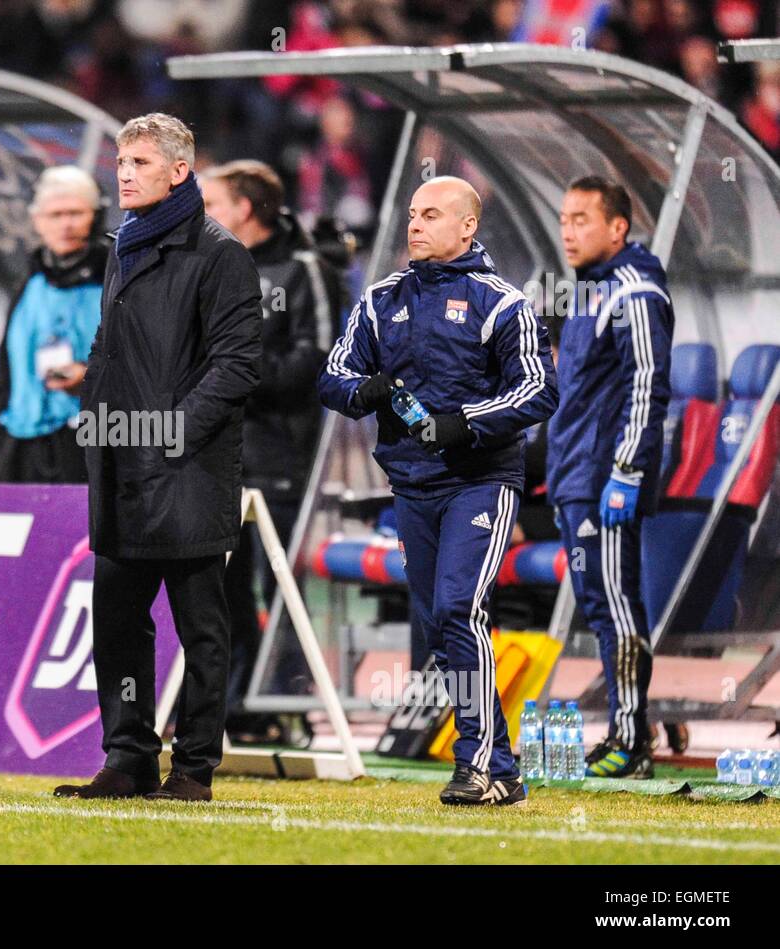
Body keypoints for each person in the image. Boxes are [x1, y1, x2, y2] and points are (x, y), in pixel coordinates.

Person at [319, 176, 557, 806]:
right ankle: (502, 770)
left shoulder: (503, 302)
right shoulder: (379, 300)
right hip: (410, 484)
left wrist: (465, 422)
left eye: (431, 215)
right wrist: (362, 391)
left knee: (457, 609)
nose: (415, 225)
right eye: (411, 214)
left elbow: (539, 390)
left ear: (467, 226)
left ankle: (474, 760)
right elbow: (334, 377)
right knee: (438, 623)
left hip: (480, 481)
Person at [53, 113, 262, 803]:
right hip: (121, 466)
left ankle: (195, 767)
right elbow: (108, 347)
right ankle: (129, 755)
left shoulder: (220, 253)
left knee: (201, 625)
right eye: (121, 160)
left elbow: (236, 366)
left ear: (179, 170)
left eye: (140, 162)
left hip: (187, 470)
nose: (124, 172)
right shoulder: (124, 248)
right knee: (116, 620)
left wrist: (173, 433)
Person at [199, 160, 339, 740]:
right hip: (217, 455)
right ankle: (237, 707)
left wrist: (235, 376)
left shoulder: (306, 269)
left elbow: (324, 359)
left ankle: (286, 703)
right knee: (221, 587)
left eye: (211, 203)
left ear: (244, 210)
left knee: (283, 586)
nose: (201, 214)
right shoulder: (212, 267)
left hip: (283, 456)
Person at [549, 176, 673, 779]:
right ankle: (628, 732)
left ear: (617, 227)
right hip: (575, 476)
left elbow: (647, 387)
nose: (568, 230)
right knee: (601, 605)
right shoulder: (587, 293)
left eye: (581, 219)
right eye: (564, 218)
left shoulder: (636, 291)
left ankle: (631, 740)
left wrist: (626, 473)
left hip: (606, 479)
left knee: (618, 605)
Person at [0, 165, 108, 484]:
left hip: (92, 441)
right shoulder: (28, 282)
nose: (65, 224)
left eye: (75, 213)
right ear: (37, 221)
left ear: (95, 217)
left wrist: (92, 377)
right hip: (21, 442)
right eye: (55, 215)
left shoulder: (116, 277)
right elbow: (6, 375)